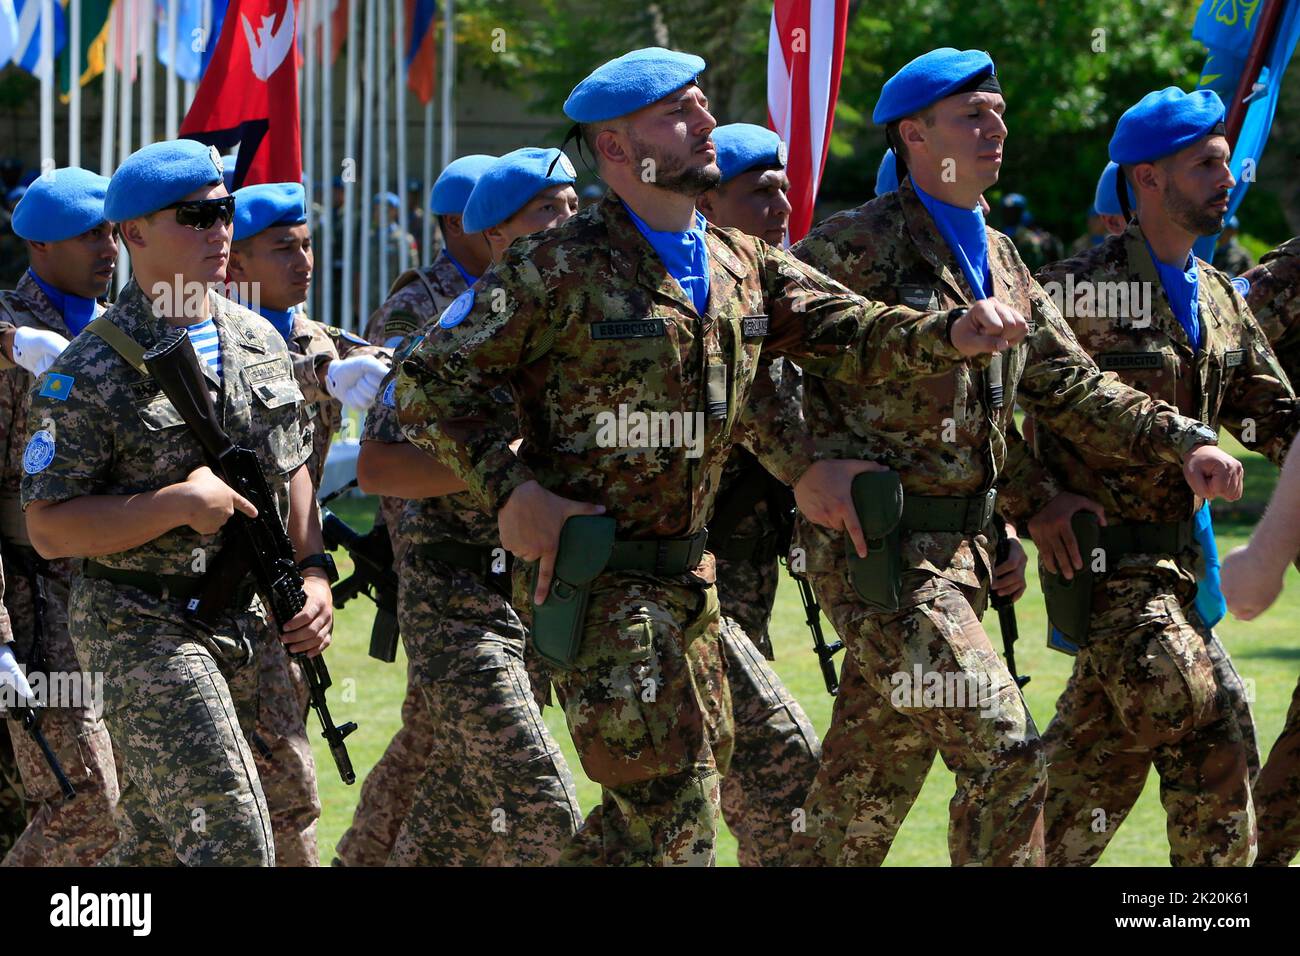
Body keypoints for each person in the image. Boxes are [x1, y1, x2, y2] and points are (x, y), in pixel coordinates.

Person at [397, 46, 1035, 866]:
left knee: (656, 820)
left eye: (701, 104)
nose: (706, 124)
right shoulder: (554, 267)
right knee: (674, 810)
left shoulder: (738, 261)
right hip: (600, 586)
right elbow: (422, 386)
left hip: (690, 586)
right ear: (619, 151)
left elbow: (850, 329)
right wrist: (510, 488)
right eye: (678, 113)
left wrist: (948, 332)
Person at [788, 49, 1244, 868]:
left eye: (997, 112)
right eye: (973, 115)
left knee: (860, 798)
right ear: (914, 133)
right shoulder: (853, 246)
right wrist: (800, 463)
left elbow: (1070, 385)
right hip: (881, 557)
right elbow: (754, 360)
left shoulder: (999, 252)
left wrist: (1186, 441)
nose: (995, 128)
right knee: (1006, 753)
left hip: (965, 555)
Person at [20, 140, 332, 865]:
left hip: (250, 616)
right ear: (133, 235)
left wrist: (313, 573)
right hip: (143, 621)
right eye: (195, 216)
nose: (219, 230)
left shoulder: (256, 335)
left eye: (223, 212)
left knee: (227, 827)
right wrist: (171, 504)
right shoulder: (88, 367)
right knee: (228, 834)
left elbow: (290, 469)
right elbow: (49, 528)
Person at [1031, 87, 1295, 867]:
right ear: (1148, 179)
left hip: (1181, 573)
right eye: (1206, 164)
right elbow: (1004, 407)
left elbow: (1270, 413)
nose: (1227, 177)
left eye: (1226, 161)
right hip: (1110, 569)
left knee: (1083, 785)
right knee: (1213, 736)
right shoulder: (1074, 289)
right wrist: (1036, 498)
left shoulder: (1216, 294)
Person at [361, 147, 584, 866]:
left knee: (453, 814)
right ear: (494, 234)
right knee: (543, 803)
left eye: (574, 207)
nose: (566, 223)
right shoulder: (447, 333)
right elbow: (378, 466)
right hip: (456, 599)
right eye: (545, 211)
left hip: (540, 598)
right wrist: (501, 467)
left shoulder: (583, 327)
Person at [334, 154, 496, 867]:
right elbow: (390, 454)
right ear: (458, 224)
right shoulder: (414, 308)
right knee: (442, 729)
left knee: (438, 732)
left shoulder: (511, 293)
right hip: (437, 548)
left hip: (499, 550)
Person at [223, 180, 389, 865]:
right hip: (202, 589)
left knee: (289, 786)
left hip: (286, 579)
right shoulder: (203, 338)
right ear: (237, 265)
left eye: (308, 244)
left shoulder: (324, 338)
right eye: (282, 249)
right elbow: (298, 372)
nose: (305, 261)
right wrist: (331, 371)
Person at [693, 122, 822, 866]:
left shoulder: (782, 293)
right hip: (686, 592)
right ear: (710, 203)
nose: (781, 204)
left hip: (748, 593)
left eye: (784, 188)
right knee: (778, 780)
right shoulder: (706, 304)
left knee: (713, 792)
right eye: (759, 191)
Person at [0, 169, 122, 866]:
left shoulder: (119, 329)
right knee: (85, 803)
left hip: (115, 599)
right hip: (35, 605)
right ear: (42, 246)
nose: (108, 247)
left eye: (112, 231)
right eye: (88, 235)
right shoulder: (14, 341)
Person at [998, 191, 1064, 270]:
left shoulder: (1030, 236)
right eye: (1007, 211)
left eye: (1014, 211)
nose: (1010, 215)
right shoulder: (1000, 232)